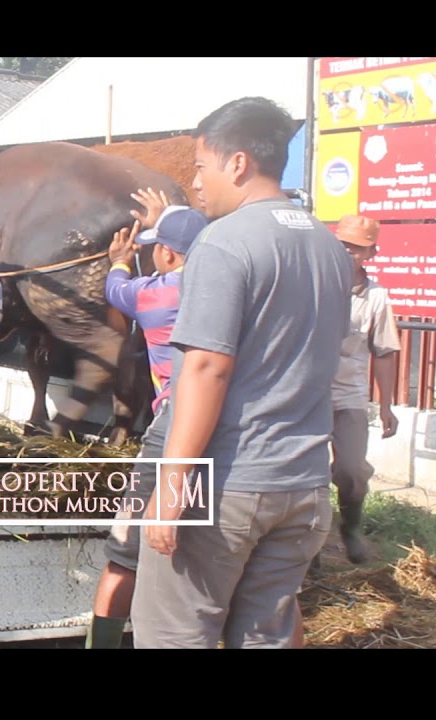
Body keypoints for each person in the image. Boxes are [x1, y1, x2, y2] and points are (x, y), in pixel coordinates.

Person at [128, 96, 354, 649]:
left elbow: (206, 367)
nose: (196, 183)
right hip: (301, 486)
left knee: (176, 632)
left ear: (238, 163)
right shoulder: (328, 246)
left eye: (201, 166)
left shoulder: (225, 243)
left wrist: (173, 482)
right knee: (266, 636)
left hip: (227, 484)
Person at [84, 189, 209, 649]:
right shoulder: (224, 288)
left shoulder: (158, 293)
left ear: (167, 252)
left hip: (172, 429)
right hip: (224, 433)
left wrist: (121, 257)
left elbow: (116, 291)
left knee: (124, 555)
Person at [328, 214, 401, 564]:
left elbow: (385, 353)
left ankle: (351, 527)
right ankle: (305, 546)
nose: (348, 253)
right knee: (305, 473)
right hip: (306, 396)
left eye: (357, 248)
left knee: (352, 470)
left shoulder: (376, 298)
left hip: (348, 397)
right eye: (343, 245)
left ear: (370, 253)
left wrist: (386, 406)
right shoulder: (316, 286)